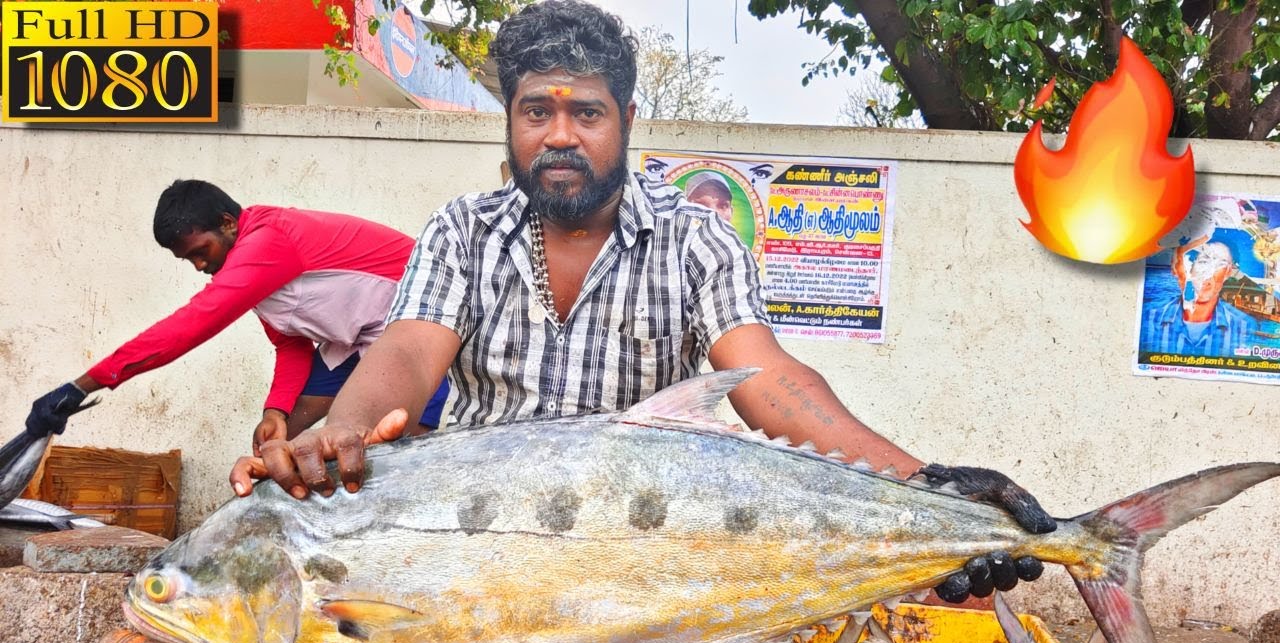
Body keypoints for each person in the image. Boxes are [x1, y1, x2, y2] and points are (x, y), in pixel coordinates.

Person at [239, 0, 1052, 603]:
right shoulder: (464, 231)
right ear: (511, 122)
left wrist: (926, 484)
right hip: (477, 557)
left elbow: (768, 380)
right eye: (535, 112)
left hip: (642, 563)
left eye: (585, 112)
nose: (559, 135)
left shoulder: (696, 240)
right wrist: (340, 432)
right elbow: (409, 354)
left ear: (626, 119)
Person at [24, 180, 450, 450]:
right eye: (186, 260)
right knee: (276, 445)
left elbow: (190, 326)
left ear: (228, 223)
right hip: (356, 339)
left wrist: (81, 386)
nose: (198, 267)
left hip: (421, 325)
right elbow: (290, 343)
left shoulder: (267, 241)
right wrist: (276, 411)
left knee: (397, 452)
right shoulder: (250, 269)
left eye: (199, 252)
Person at [1141, 237, 1256, 356]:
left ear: (1228, 272)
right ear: (1188, 267)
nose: (1209, 272)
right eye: (1203, 261)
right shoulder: (1148, 316)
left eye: (1220, 264)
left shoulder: (1244, 326)